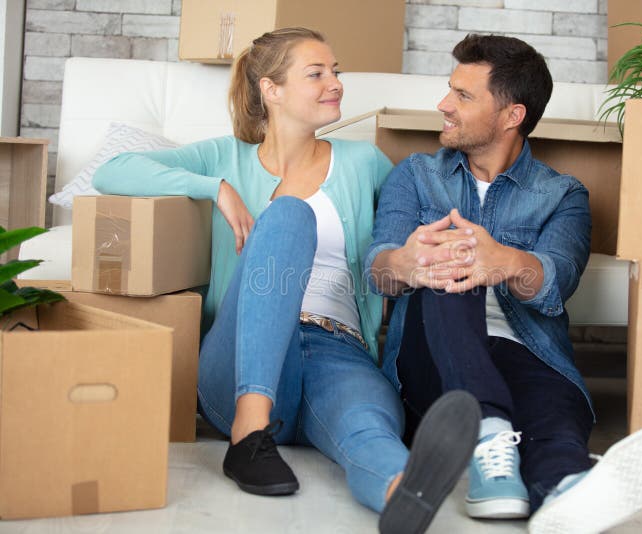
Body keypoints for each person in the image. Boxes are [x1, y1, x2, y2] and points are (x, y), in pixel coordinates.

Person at [94, 27, 479, 534]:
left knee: (371, 430)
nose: (336, 83)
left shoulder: (363, 163)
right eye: (316, 73)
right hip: (238, 358)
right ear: (270, 90)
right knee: (290, 216)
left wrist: (422, 248)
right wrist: (216, 188)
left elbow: (406, 232)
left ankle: (402, 490)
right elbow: (112, 171)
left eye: (336, 71)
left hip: (337, 349)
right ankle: (248, 433)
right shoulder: (222, 157)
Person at [366, 33, 642, 533]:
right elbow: (379, 271)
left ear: (511, 115)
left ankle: (566, 491)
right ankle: (489, 434)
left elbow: (557, 281)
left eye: (463, 96)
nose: (443, 106)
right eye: (450, 90)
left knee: (553, 420)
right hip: (435, 358)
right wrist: (407, 262)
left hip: (528, 349)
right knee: (452, 265)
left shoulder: (563, 194)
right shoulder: (415, 176)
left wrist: (507, 261)